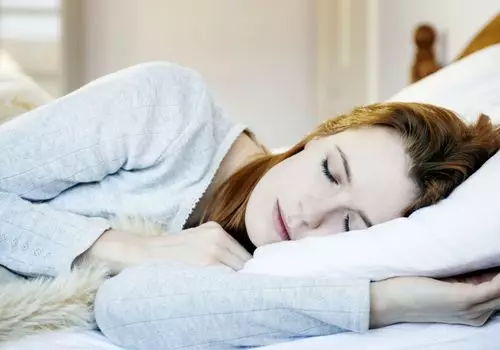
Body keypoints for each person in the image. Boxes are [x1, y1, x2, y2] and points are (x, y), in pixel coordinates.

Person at [1, 62, 500, 350]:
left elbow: (128, 310)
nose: (310, 214)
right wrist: (131, 248)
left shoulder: (285, 266)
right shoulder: (167, 110)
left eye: (350, 224)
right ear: (322, 133)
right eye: (330, 171)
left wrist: (381, 302)